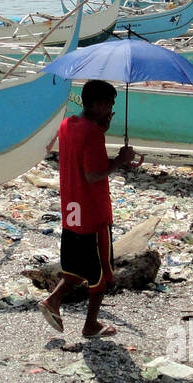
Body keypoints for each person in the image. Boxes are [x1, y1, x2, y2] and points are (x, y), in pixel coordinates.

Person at [39, 80, 137, 338]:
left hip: (72, 207)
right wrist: (120, 160)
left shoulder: (68, 124)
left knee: (76, 264)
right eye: (110, 106)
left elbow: (83, 161)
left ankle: (53, 301)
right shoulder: (92, 133)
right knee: (100, 273)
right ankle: (90, 324)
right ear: (100, 104)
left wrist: (106, 138)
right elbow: (93, 174)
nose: (111, 111)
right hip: (92, 212)